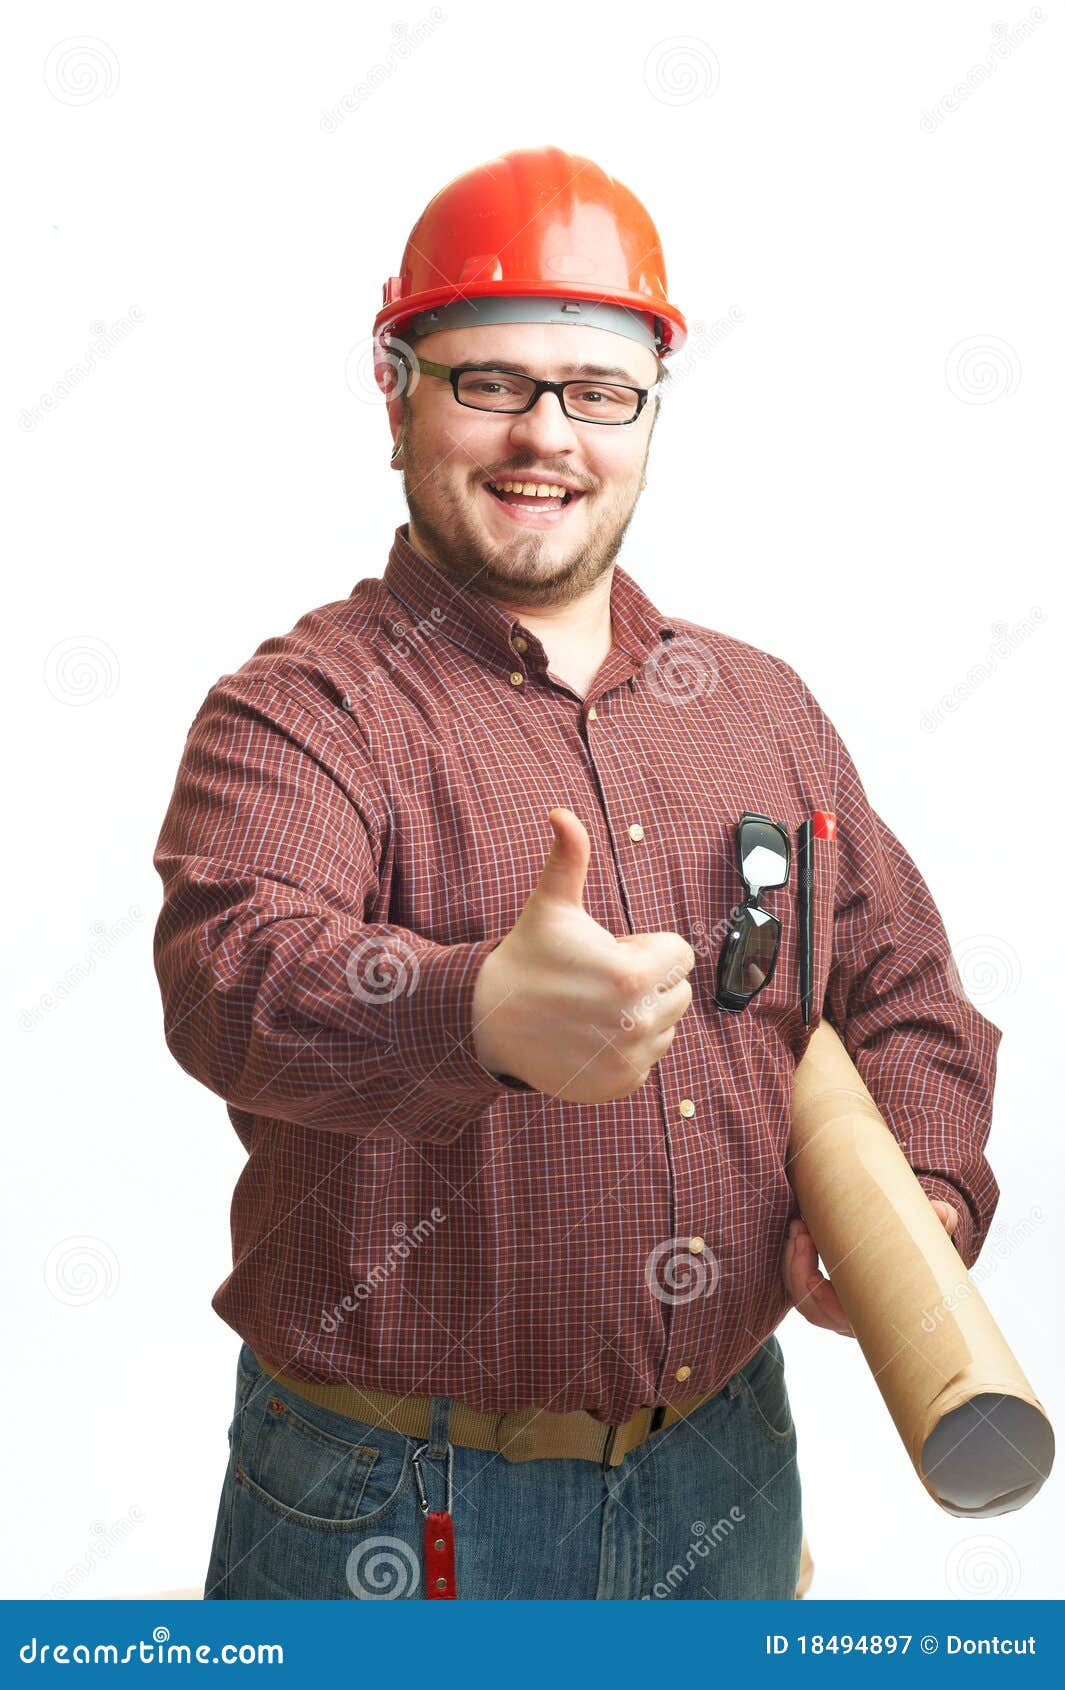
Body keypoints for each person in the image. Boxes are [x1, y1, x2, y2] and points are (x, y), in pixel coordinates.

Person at [152, 146, 1000, 1601]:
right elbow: (232, 974)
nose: (545, 433)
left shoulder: (758, 709)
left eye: (595, 392)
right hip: (395, 1495)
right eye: (489, 381)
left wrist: (910, 1198)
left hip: (721, 1465)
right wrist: (471, 1009)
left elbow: (899, 991)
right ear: (396, 389)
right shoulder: (304, 710)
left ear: (647, 413)